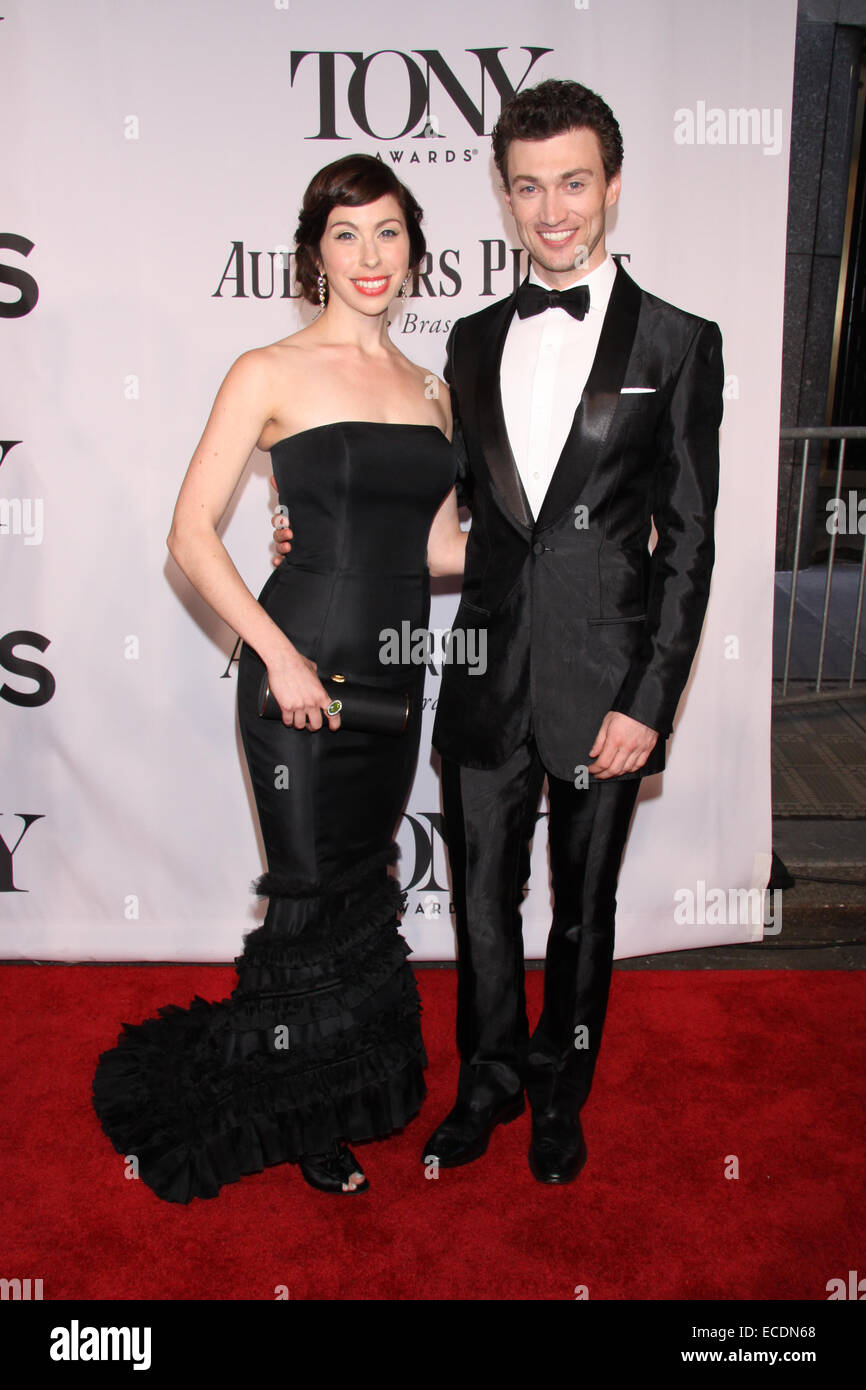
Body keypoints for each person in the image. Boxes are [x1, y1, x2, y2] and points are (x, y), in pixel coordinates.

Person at [276, 78, 723, 1185]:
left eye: (573, 182)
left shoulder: (677, 340)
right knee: (480, 904)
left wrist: (647, 701)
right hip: (478, 675)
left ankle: (560, 1090)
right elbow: (456, 528)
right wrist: (328, 531)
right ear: (503, 194)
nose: (552, 208)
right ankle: (485, 1084)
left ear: (610, 185)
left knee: (582, 908)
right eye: (528, 187)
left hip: (604, 681)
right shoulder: (467, 346)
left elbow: (693, 539)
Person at [91, 155, 465, 1202]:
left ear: (413, 247)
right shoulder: (268, 370)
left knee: (355, 886)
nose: (369, 256)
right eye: (345, 235)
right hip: (294, 669)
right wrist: (279, 653)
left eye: (387, 232)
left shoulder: (430, 389)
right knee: (305, 891)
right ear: (313, 256)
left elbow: (436, 547)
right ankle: (302, 1111)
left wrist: (571, 549)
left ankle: (344, 1086)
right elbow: (188, 535)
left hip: (392, 671)